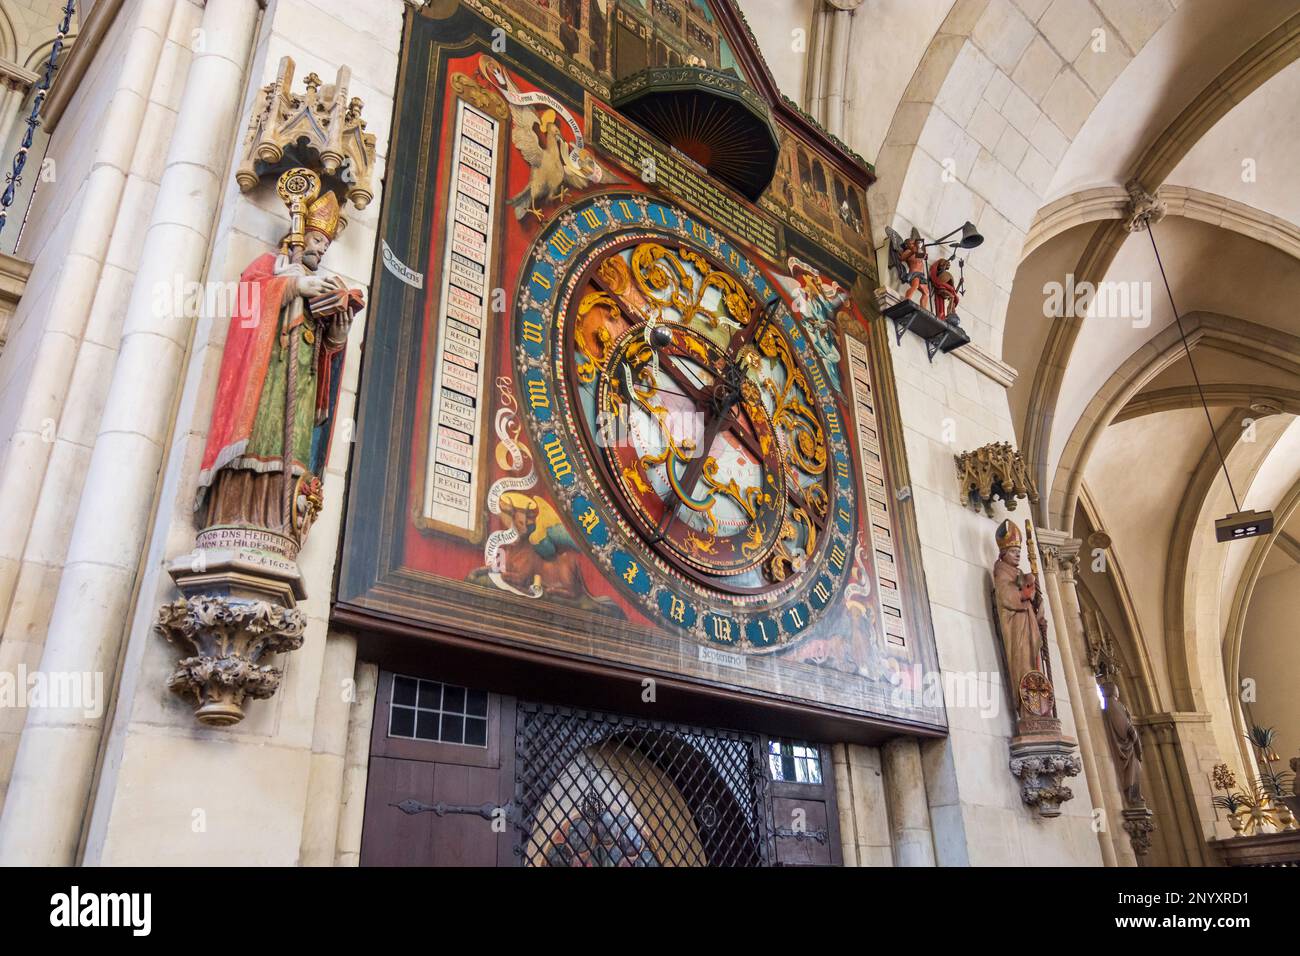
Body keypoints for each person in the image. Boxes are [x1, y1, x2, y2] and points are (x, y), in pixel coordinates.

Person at [195, 189, 362, 543]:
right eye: (316, 240)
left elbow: (323, 349)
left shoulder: (320, 283)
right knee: (261, 435)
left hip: (301, 384)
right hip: (266, 375)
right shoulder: (270, 266)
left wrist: (337, 332)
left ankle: (277, 523)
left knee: (293, 446)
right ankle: (234, 516)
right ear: (298, 236)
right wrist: (294, 286)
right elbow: (249, 300)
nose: (320, 249)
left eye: (325, 246)